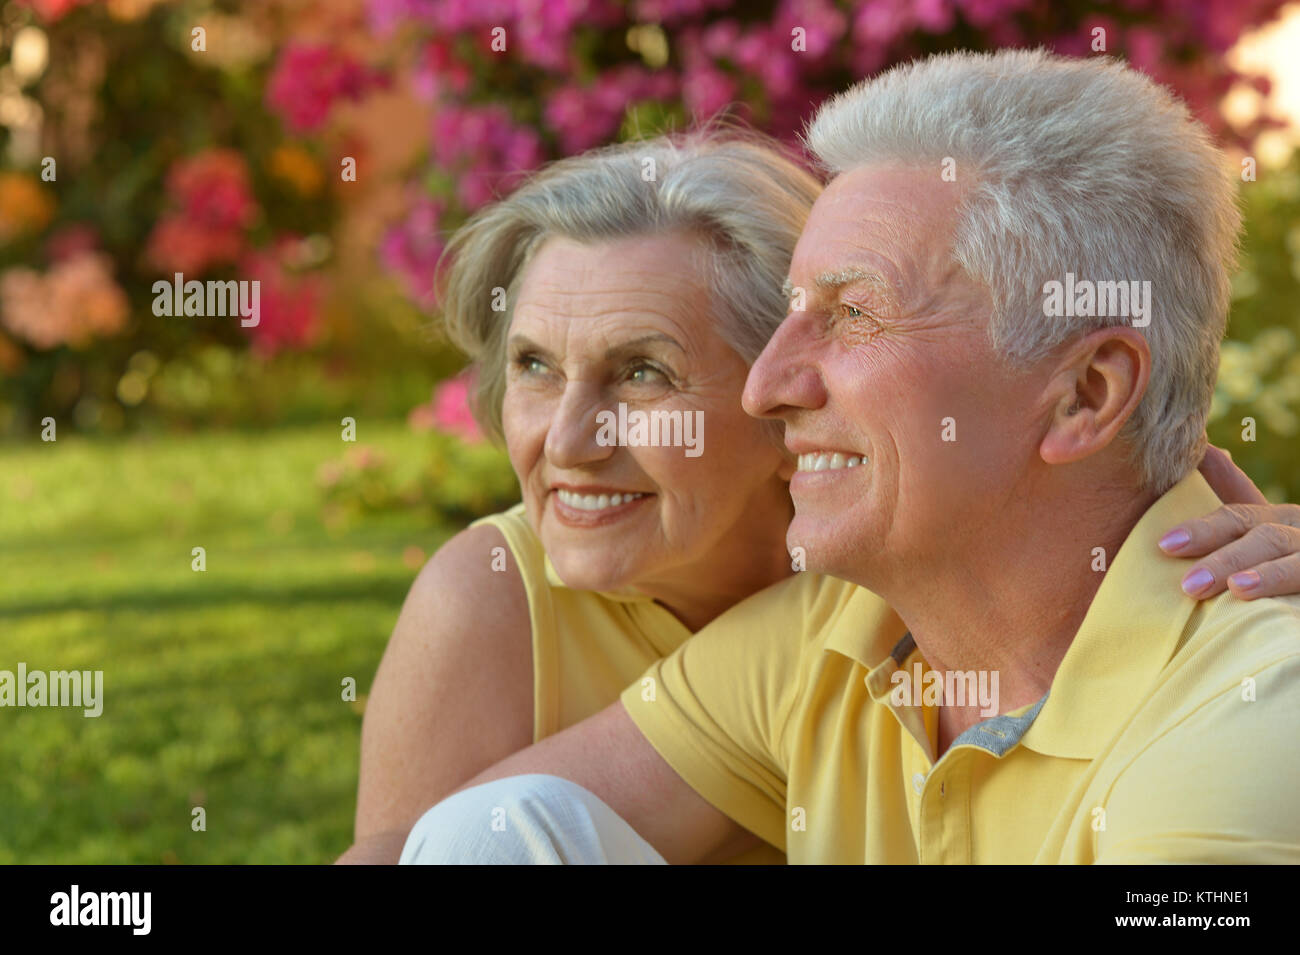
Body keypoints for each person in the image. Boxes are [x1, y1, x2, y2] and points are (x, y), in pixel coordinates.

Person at [391, 50, 1300, 865]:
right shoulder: (833, 636)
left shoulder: (1255, 714)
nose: (768, 386)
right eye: (792, 312)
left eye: (855, 314)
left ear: (1086, 394)